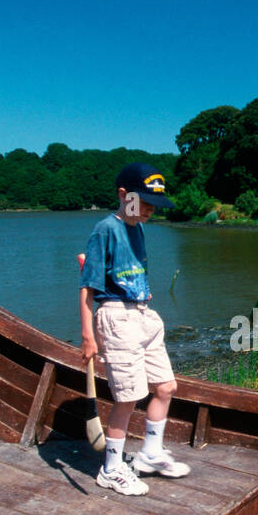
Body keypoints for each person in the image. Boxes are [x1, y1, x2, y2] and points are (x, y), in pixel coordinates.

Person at [79, 162, 190, 496]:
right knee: (128, 398)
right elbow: (87, 287)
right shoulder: (105, 230)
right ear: (123, 195)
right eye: (143, 202)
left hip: (143, 315)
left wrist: (143, 292)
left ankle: (150, 454)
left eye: (154, 205)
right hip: (116, 318)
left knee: (166, 387)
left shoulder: (138, 230)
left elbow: (131, 270)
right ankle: (111, 470)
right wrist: (88, 336)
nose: (150, 210)